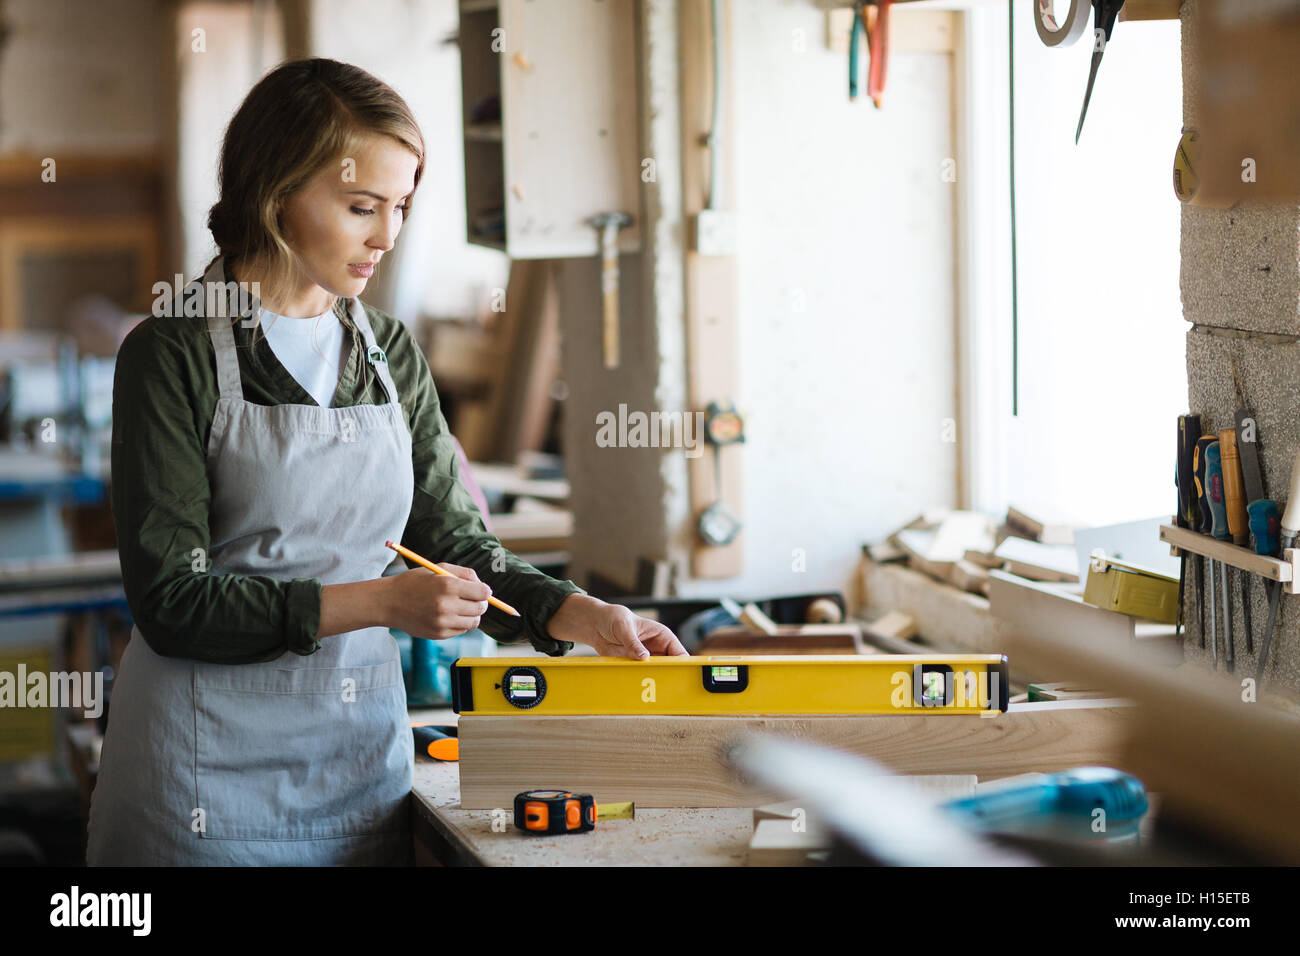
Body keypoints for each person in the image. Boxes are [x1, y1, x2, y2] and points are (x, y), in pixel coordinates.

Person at [86, 57, 686, 867]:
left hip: (355, 764)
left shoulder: (385, 350)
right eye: (361, 206)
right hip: (201, 774)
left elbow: (456, 541)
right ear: (275, 194)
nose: (387, 236)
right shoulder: (172, 352)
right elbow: (172, 601)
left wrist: (581, 617)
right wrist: (383, 602)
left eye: (400, 206)